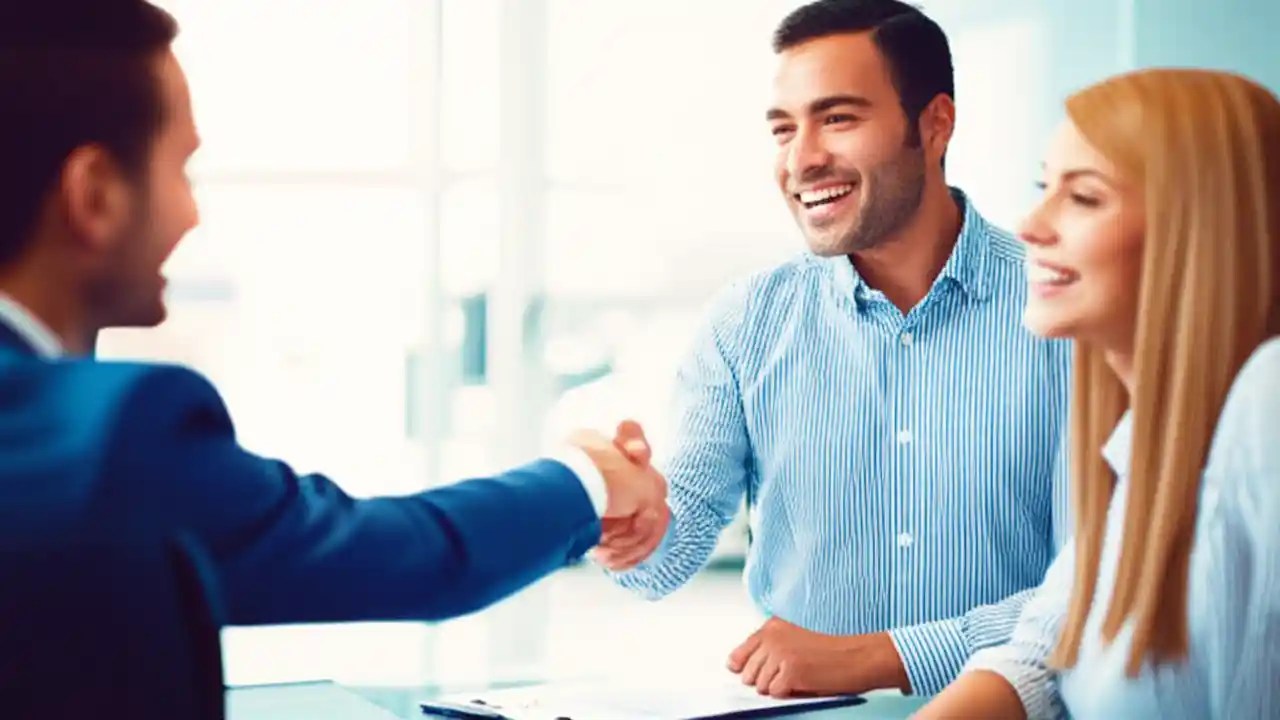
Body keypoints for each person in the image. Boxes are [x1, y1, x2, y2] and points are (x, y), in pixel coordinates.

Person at [0, 0, 666, 626]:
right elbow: (398, 556)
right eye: (181, 170)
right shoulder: (106, 435)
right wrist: (585, 479)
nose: (192, 213)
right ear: (94, 196)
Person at [595, 0, 1072, 698]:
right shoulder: (746, 323)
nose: (802, 159)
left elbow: (1100, 590)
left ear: (934, 123)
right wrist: (630, 526)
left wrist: (881, 657)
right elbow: (667, 556)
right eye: (784, 129)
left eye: (838, 118)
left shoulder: (1067, 314)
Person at [916, 67, 1280, 719]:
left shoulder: (1267, 403)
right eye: (1043, 187)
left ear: (1198, 227)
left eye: (1083, 197)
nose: (1029, 224)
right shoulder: (1144, 450)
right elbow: (1043, 655)